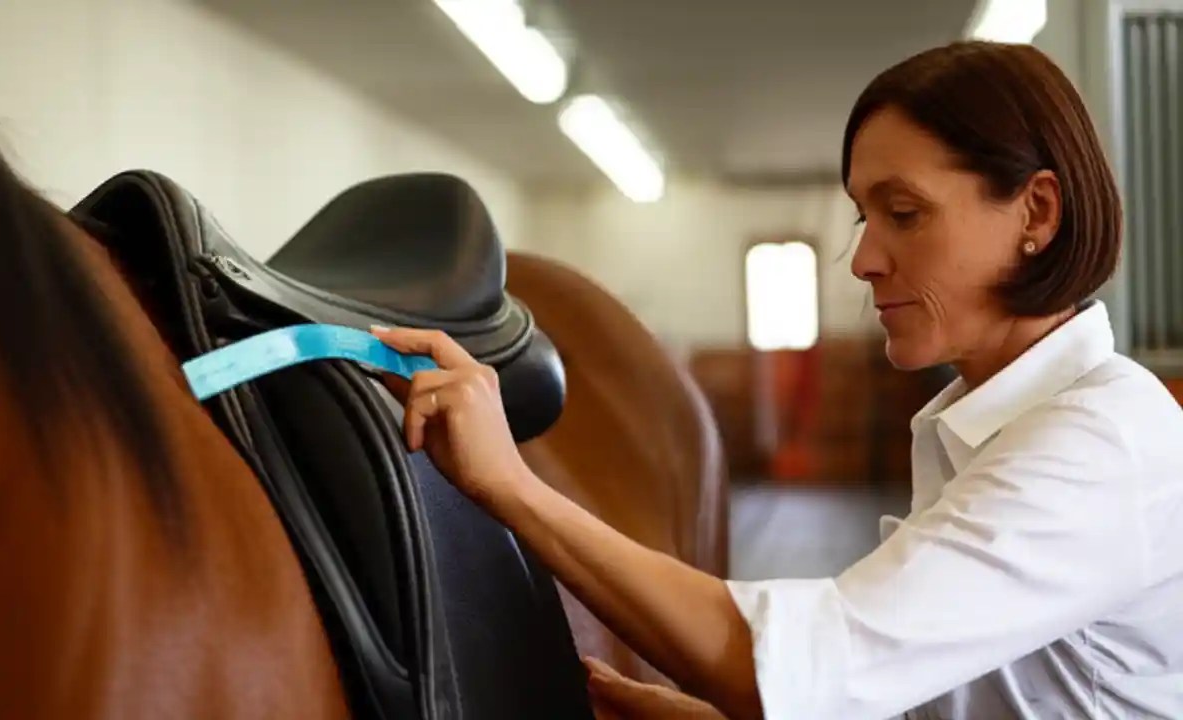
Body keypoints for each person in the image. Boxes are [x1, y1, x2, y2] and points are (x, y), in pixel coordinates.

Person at [373, 40, 1183, 720]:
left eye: (904, 213)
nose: (864, 258)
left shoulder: (1095, 444)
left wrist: (510, 485)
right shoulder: (986, 425)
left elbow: (826, 660)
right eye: (865, 216)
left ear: (1037, 213)